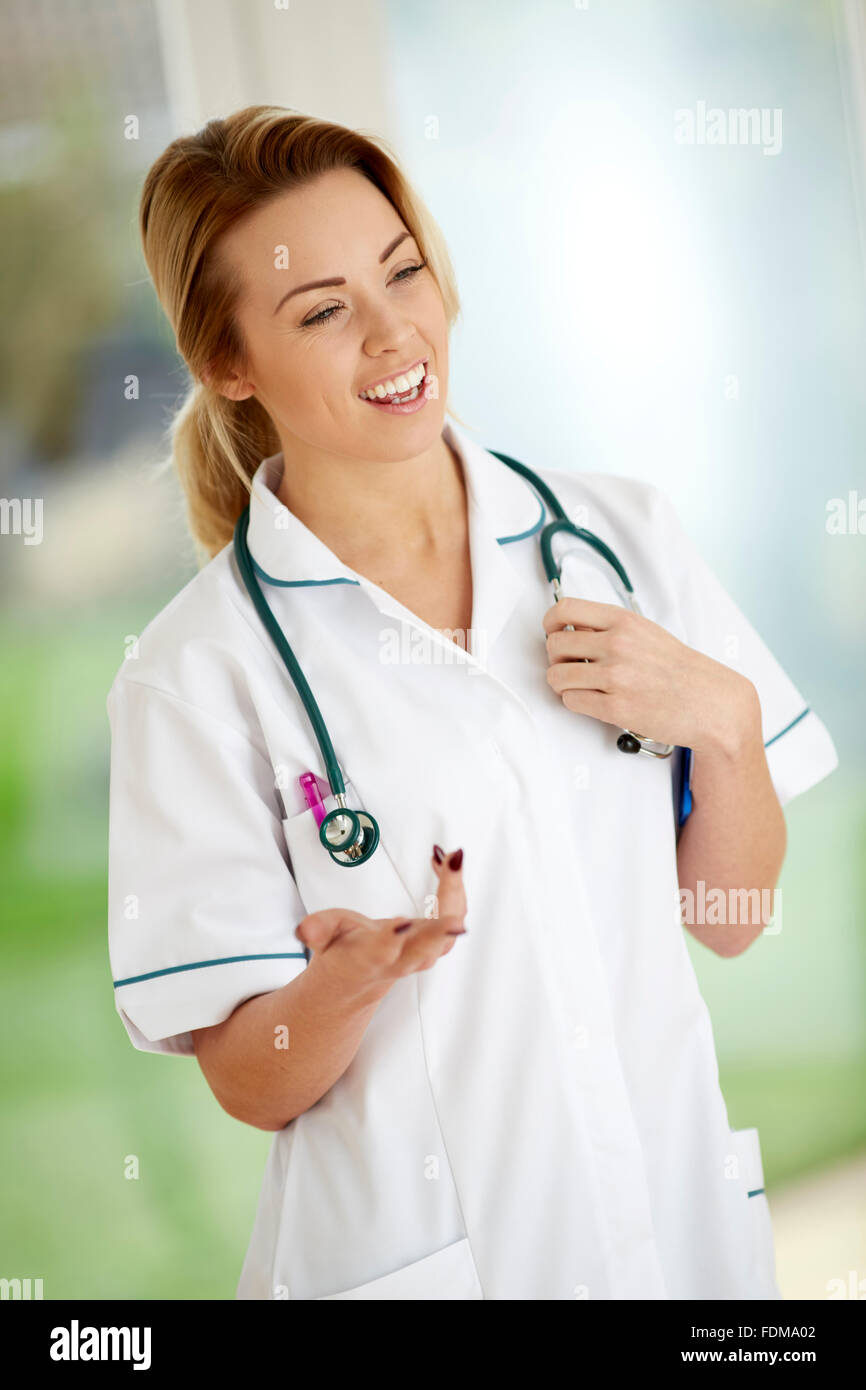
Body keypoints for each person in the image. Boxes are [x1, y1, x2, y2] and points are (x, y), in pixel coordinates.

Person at [106, 104, 839, 1300]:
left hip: (677, 1243)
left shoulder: (616, 536)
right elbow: (250, 1080)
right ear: (228, 363)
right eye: (324, 308)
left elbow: (730, 914)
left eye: (403, 271)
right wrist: (344, 981)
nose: (396, 332)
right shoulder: (198, 672)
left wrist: (726, 719)